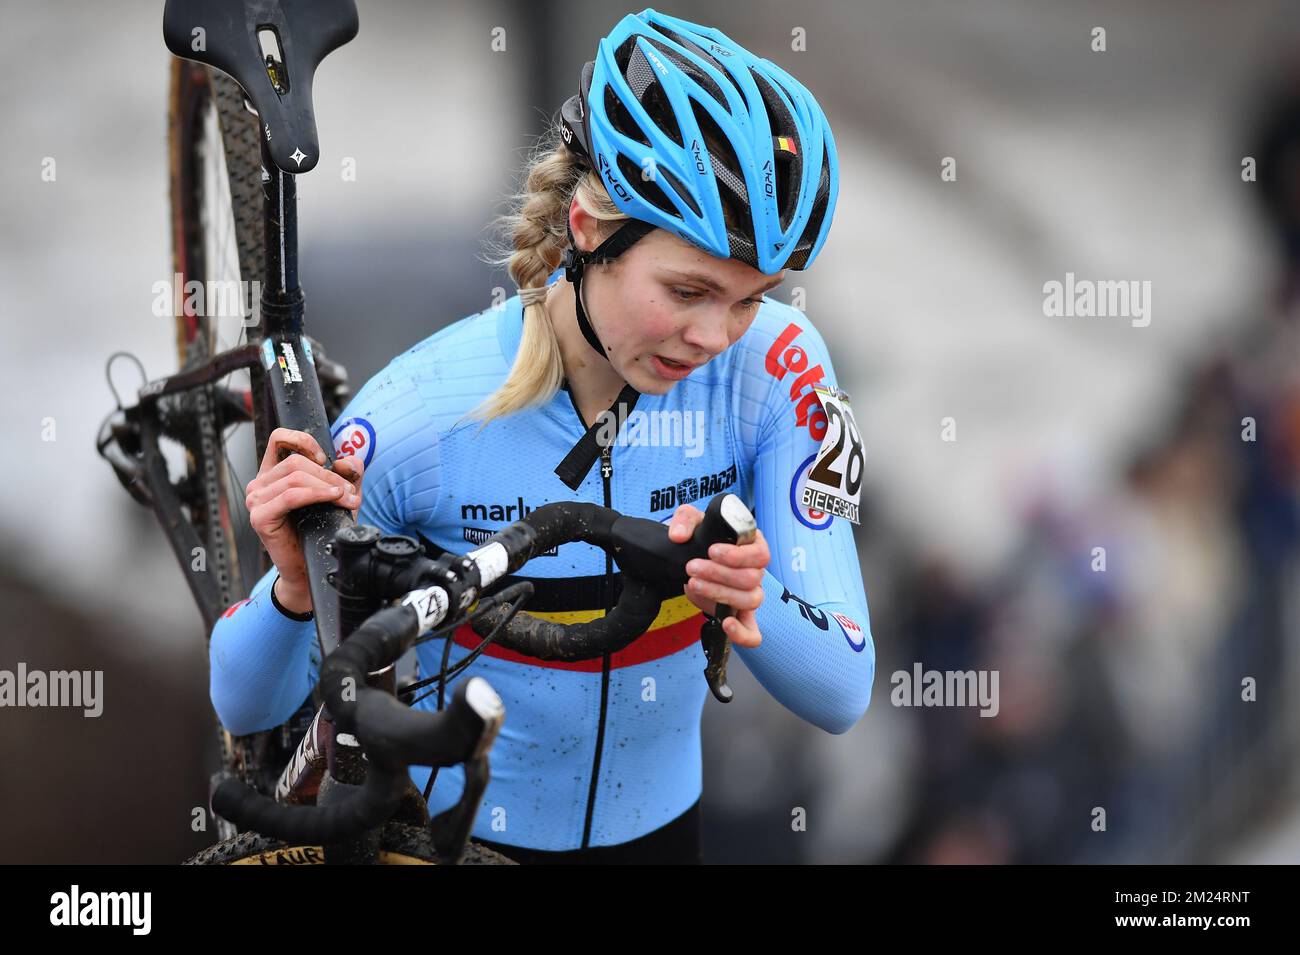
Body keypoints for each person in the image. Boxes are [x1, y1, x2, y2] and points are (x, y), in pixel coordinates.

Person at [209, 7, 873, 864]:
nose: (716, 335)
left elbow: (843, 686)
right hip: (460, 839)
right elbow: (246, 703)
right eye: (687, 291)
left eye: (751, 297)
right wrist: (296, 588)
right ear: (588, 234)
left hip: (665, 837)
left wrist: (752, 596)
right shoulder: (417, 414)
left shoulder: (779, 369)